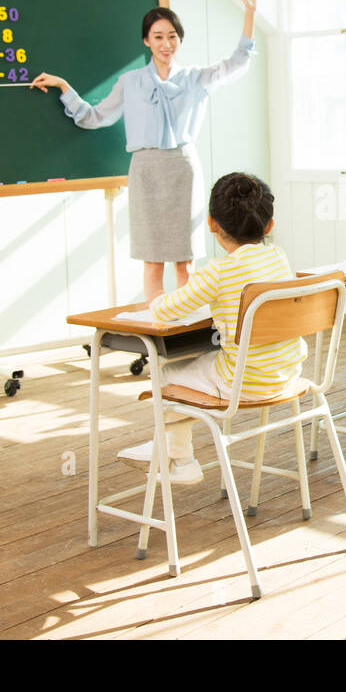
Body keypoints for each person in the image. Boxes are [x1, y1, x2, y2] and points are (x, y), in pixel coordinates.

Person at [29, 0, 258, 301]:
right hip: (145, 170)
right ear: (146, 41)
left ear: (180, 40)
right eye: (158, 37)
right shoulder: (130, 82)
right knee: (152, 261)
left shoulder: (195, 78)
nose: (166, 44)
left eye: (173, 37)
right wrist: (64, 86)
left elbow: (238, 62)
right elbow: (95, 117)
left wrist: (249, 13)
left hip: (183, 169)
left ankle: (184, 327)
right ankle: (158, 335)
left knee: (186, 262)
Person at [115, 172, 305, 484]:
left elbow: (165, 309)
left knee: (166, 374)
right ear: (270, 225)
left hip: (243, 381)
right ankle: (169, 453)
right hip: (285, 373)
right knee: (195, 368)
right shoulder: (277, 258)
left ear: (211, 223)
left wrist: (158, 296)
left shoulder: (219, 271)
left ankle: (181, 458)